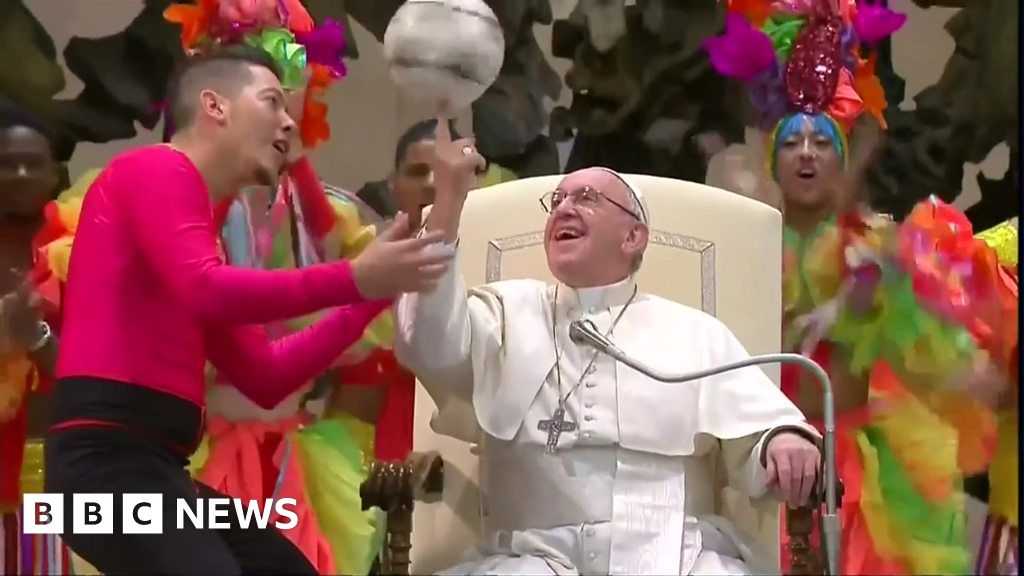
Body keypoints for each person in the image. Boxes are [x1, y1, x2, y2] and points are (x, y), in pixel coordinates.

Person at [43, 47, 452, 575]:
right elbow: (204, 290)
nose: (288, 122)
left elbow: (264, 375)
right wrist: (354, 277)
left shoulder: (198, 236)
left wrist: (375, 290)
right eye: (272, 102)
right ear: (215, 106)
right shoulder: (157, 169)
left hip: (153, 469)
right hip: (101, 470)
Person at [393, 115, 823, 575]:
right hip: (534, 557)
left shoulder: (692, 331)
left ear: (633, 236)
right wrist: (447, 210)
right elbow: (427, 341)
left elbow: (759, 424)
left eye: (587, 198)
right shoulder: (503, 312)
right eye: (557, 201)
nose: (563, 208)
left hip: (674, 554)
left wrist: (784, 439)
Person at [705, 1, 1013, 573]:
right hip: (759, 455)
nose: (805, 153)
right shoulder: (744, 243)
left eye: (822, 142)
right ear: (773, 156)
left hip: (850, 472)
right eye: (792, 141)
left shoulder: (874, 249)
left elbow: (933, 358)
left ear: (842, 159)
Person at [0, 98, 75, 574]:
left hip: (53, 474)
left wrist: (35, 336)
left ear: (55, 174)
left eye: (34, 164)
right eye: (7, 164)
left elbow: (89, 380)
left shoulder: (81, 253)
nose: (23, 174)